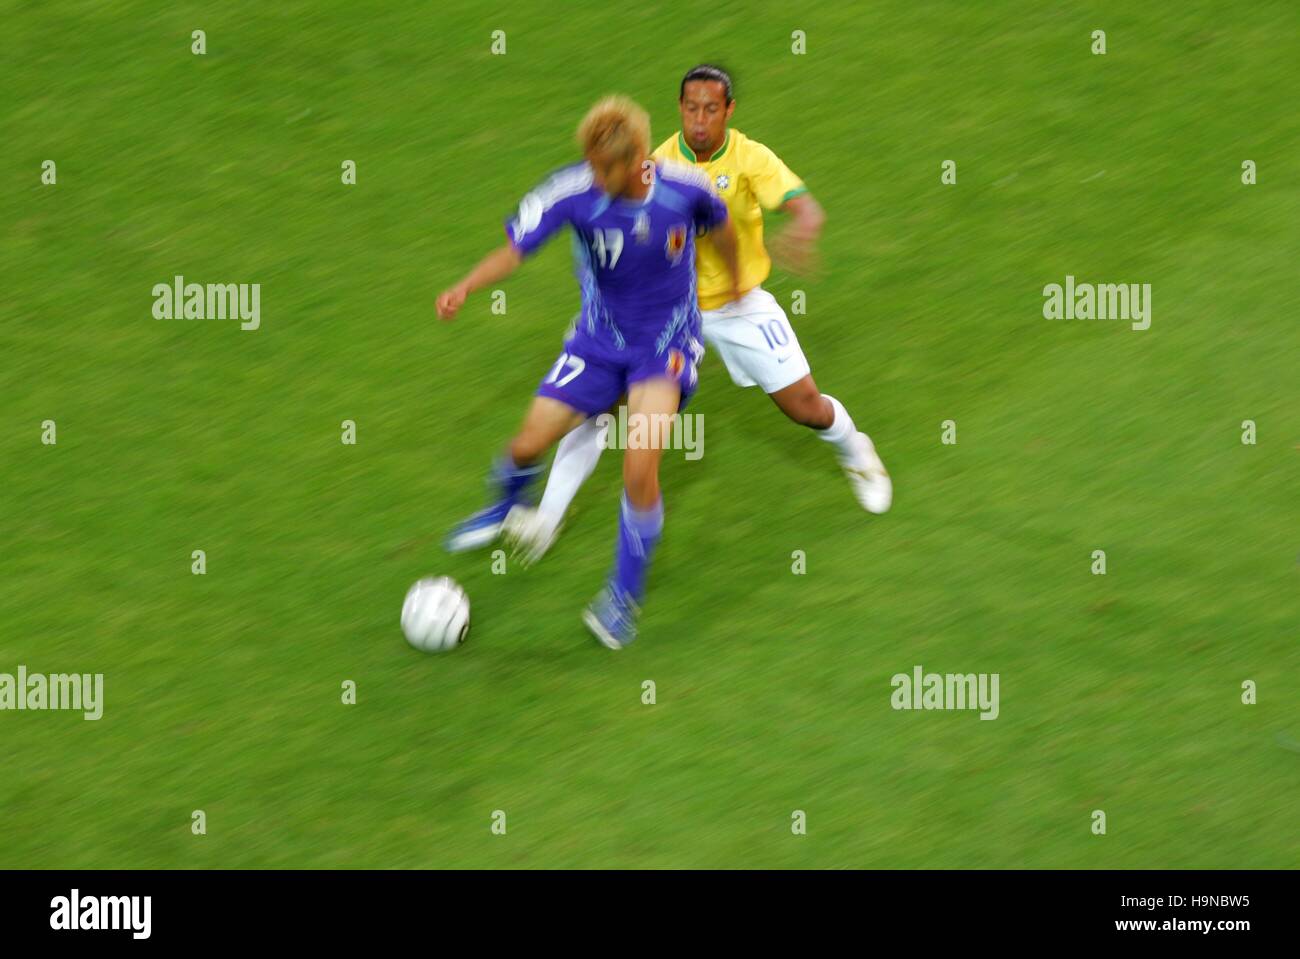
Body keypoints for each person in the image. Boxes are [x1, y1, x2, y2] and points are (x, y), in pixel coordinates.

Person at [436, 95, 739, 648]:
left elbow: (721, 227)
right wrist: (466, 286)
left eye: (607, 169)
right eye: (592, 165)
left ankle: (623, 596)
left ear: (638, 159)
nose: (596, 177)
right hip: (598, 343)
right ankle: (506, 505)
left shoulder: (685, 189)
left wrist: (735, 285)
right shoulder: (572, 191)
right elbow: (514, 251)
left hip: (665, 347)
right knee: (527, 443)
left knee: (639, 469)